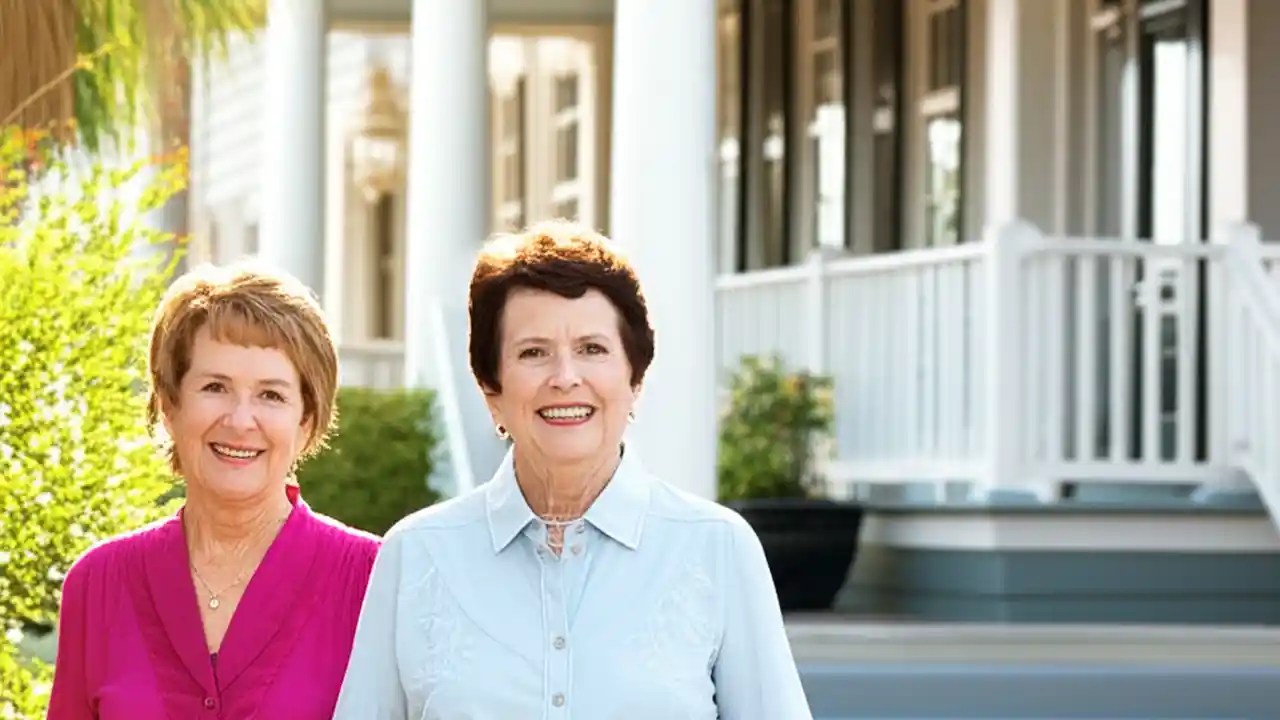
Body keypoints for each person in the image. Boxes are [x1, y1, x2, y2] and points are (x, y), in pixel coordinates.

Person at [334, 221, 812, 718]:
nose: (565, 378)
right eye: (533, 352)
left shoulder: (716, 547)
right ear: (491, 391)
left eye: (592, 349)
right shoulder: (416, 555)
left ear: (635, 380)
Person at [46, 262, 380, 719]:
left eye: (271, 395)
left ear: (306, 422)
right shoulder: (99, 584)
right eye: (215, 387)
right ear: (169, 406)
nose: (241, 421)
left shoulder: (375, 582)